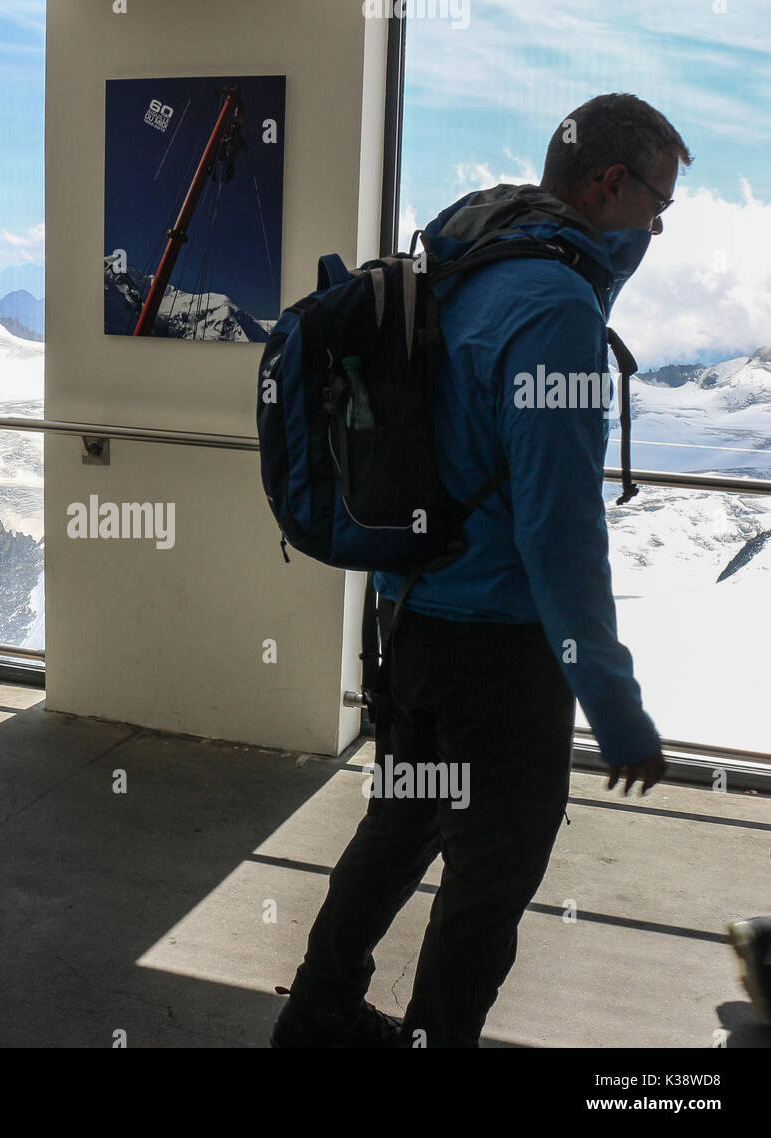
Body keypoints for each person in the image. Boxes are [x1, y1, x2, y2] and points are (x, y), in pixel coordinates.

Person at [272, 93, 687, 1048]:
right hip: (499, 661)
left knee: (400, 828)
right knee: (486, 888)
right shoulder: (556, 311)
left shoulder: (467, 259)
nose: (659, 229)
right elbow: (560, 538)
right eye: (657, 205)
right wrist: (618, 713)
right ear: (611, 184)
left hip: (410, 623)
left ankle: (316, 1017)